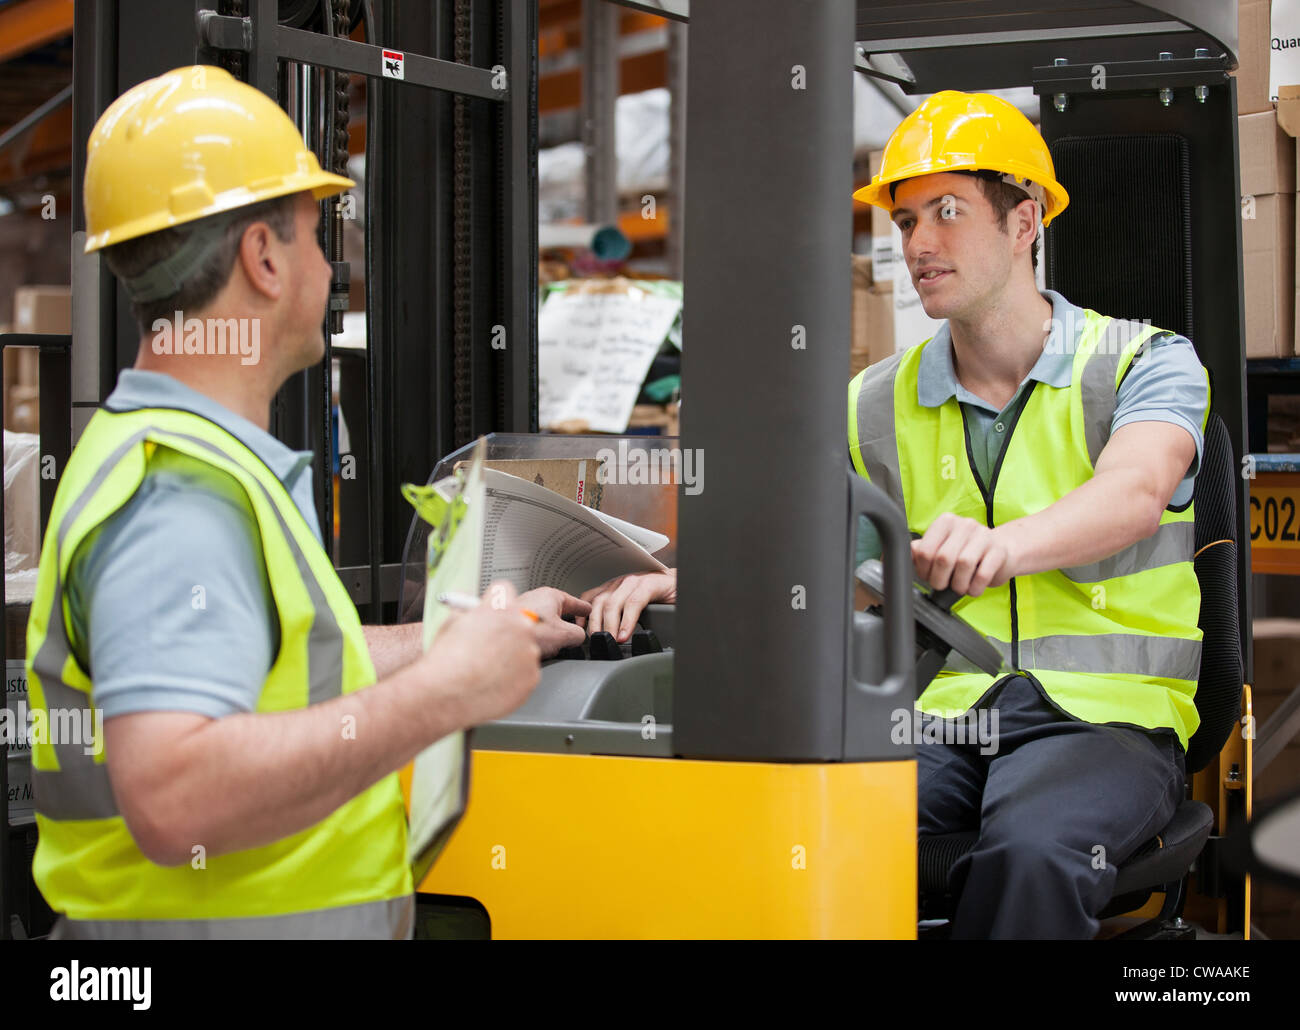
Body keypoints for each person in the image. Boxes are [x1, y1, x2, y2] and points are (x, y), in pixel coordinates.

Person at [589, 91, 1209, 940]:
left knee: (1031, 853)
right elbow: (811, 552)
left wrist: (1002, 546)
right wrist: (672, 583)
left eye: (946, 213)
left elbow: (1135, 494)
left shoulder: (1146, 361)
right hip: (947, 710)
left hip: (1110, 717)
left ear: (1025, 222)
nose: (917, 244)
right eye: (906, 219)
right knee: (789, 822)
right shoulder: (872, 402)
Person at [26, 66, 588, 940]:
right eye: (319, 238)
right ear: (262, 258)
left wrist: (457, 636)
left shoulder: (199, 462)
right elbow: (176, 794)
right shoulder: (179, 490)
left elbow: (281, 663)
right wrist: (446, 692)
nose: (332, 268)